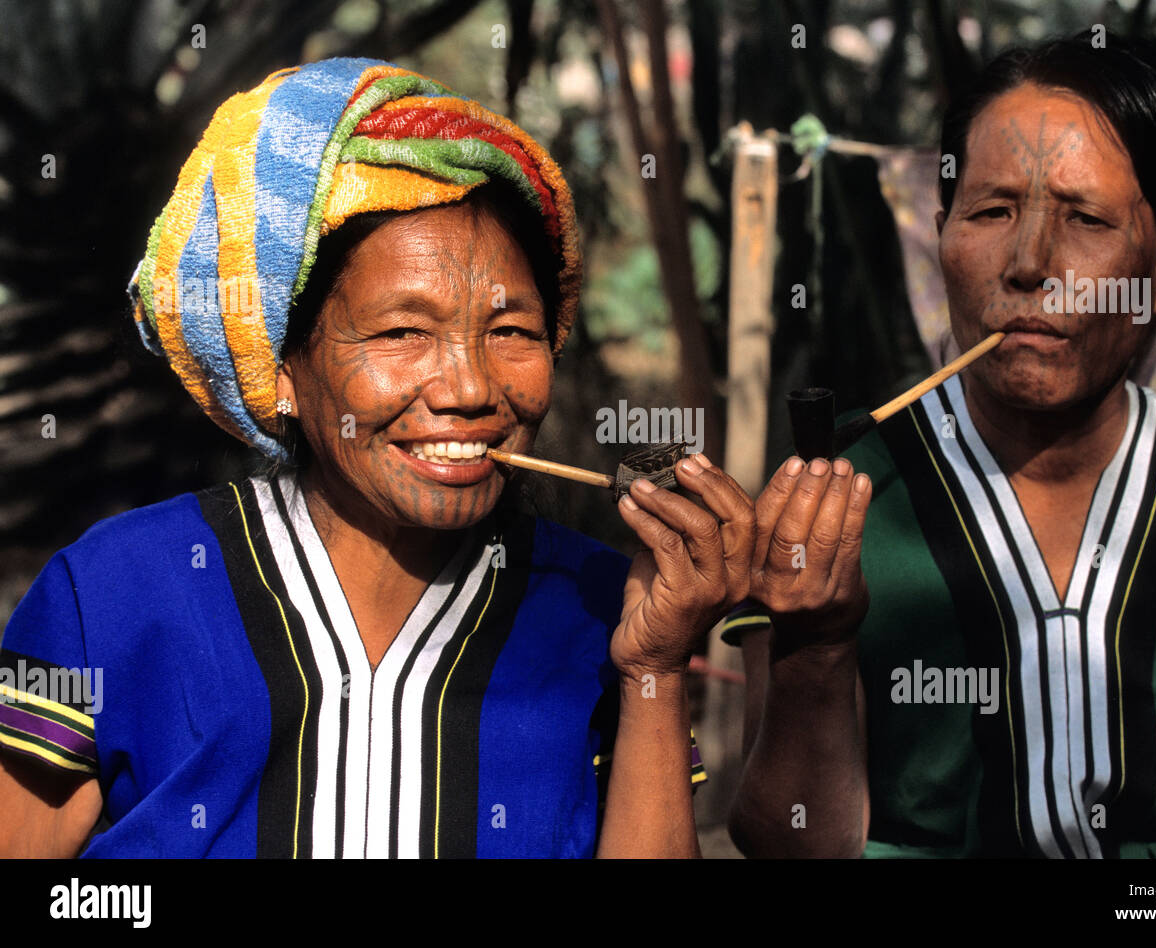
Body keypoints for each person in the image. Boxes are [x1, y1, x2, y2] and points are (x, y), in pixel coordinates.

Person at [0, 58, 755, 858]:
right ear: (281, 367)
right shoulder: (113, 593)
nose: (469, 387)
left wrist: (658, 668)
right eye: (402, 332)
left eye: (512, 333)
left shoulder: (606, 609)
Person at [728, 32, 1156, 858]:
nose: (1030, 264)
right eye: (992, 211)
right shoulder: (823, 512)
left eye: (1086, 219)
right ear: (943, 230)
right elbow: (790, 842)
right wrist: (815, 648)